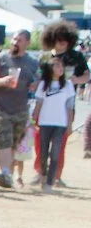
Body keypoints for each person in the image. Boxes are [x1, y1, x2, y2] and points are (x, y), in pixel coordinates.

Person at [0, 30, 39, 189]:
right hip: (0, 107)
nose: (15, 43)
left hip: (20, 109)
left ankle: (8, 173)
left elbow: (39, 80)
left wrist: (35, 85)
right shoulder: (1, 59)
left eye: (20, 40)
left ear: (27, 43)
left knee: (14, 143)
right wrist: (1, 81)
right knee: (3, 141)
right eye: (14, 39)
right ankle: (6, 172)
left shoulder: (33, 63)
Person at [32, 54, 76, 190]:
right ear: (50, 68)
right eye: (57, 65)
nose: (60, 68)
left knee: (55, 153)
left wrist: (69, 125)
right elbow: (38, 104)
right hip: (45, 122)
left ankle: (50, 182)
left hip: (60, 124)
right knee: (43, 153)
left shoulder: (67, 85)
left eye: (61, 66)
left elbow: (69, 107)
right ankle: (43, 176)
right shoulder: (44, 85)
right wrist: (34, 121)